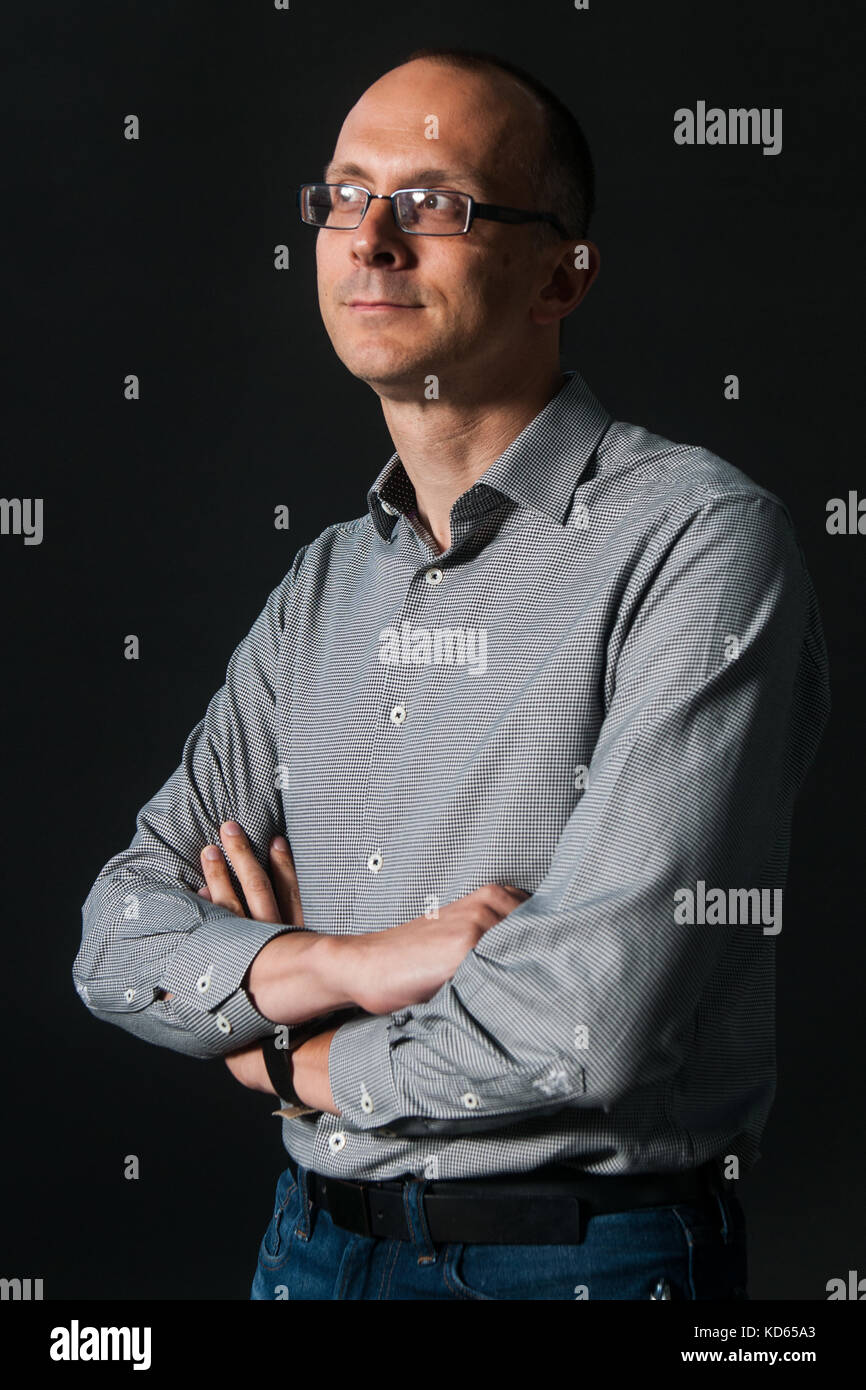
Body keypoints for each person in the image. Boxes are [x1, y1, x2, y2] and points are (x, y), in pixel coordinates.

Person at [73, 46, 831, 1301]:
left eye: (433, 202)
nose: (369, 240)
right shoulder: (321, 585)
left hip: (573, 1261)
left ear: (559, 274)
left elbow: (592, 1017)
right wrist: (353, 964)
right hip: (308, 1245)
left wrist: (288, 1061)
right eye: (343, 194)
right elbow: (117, 931)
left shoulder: (697, 541)